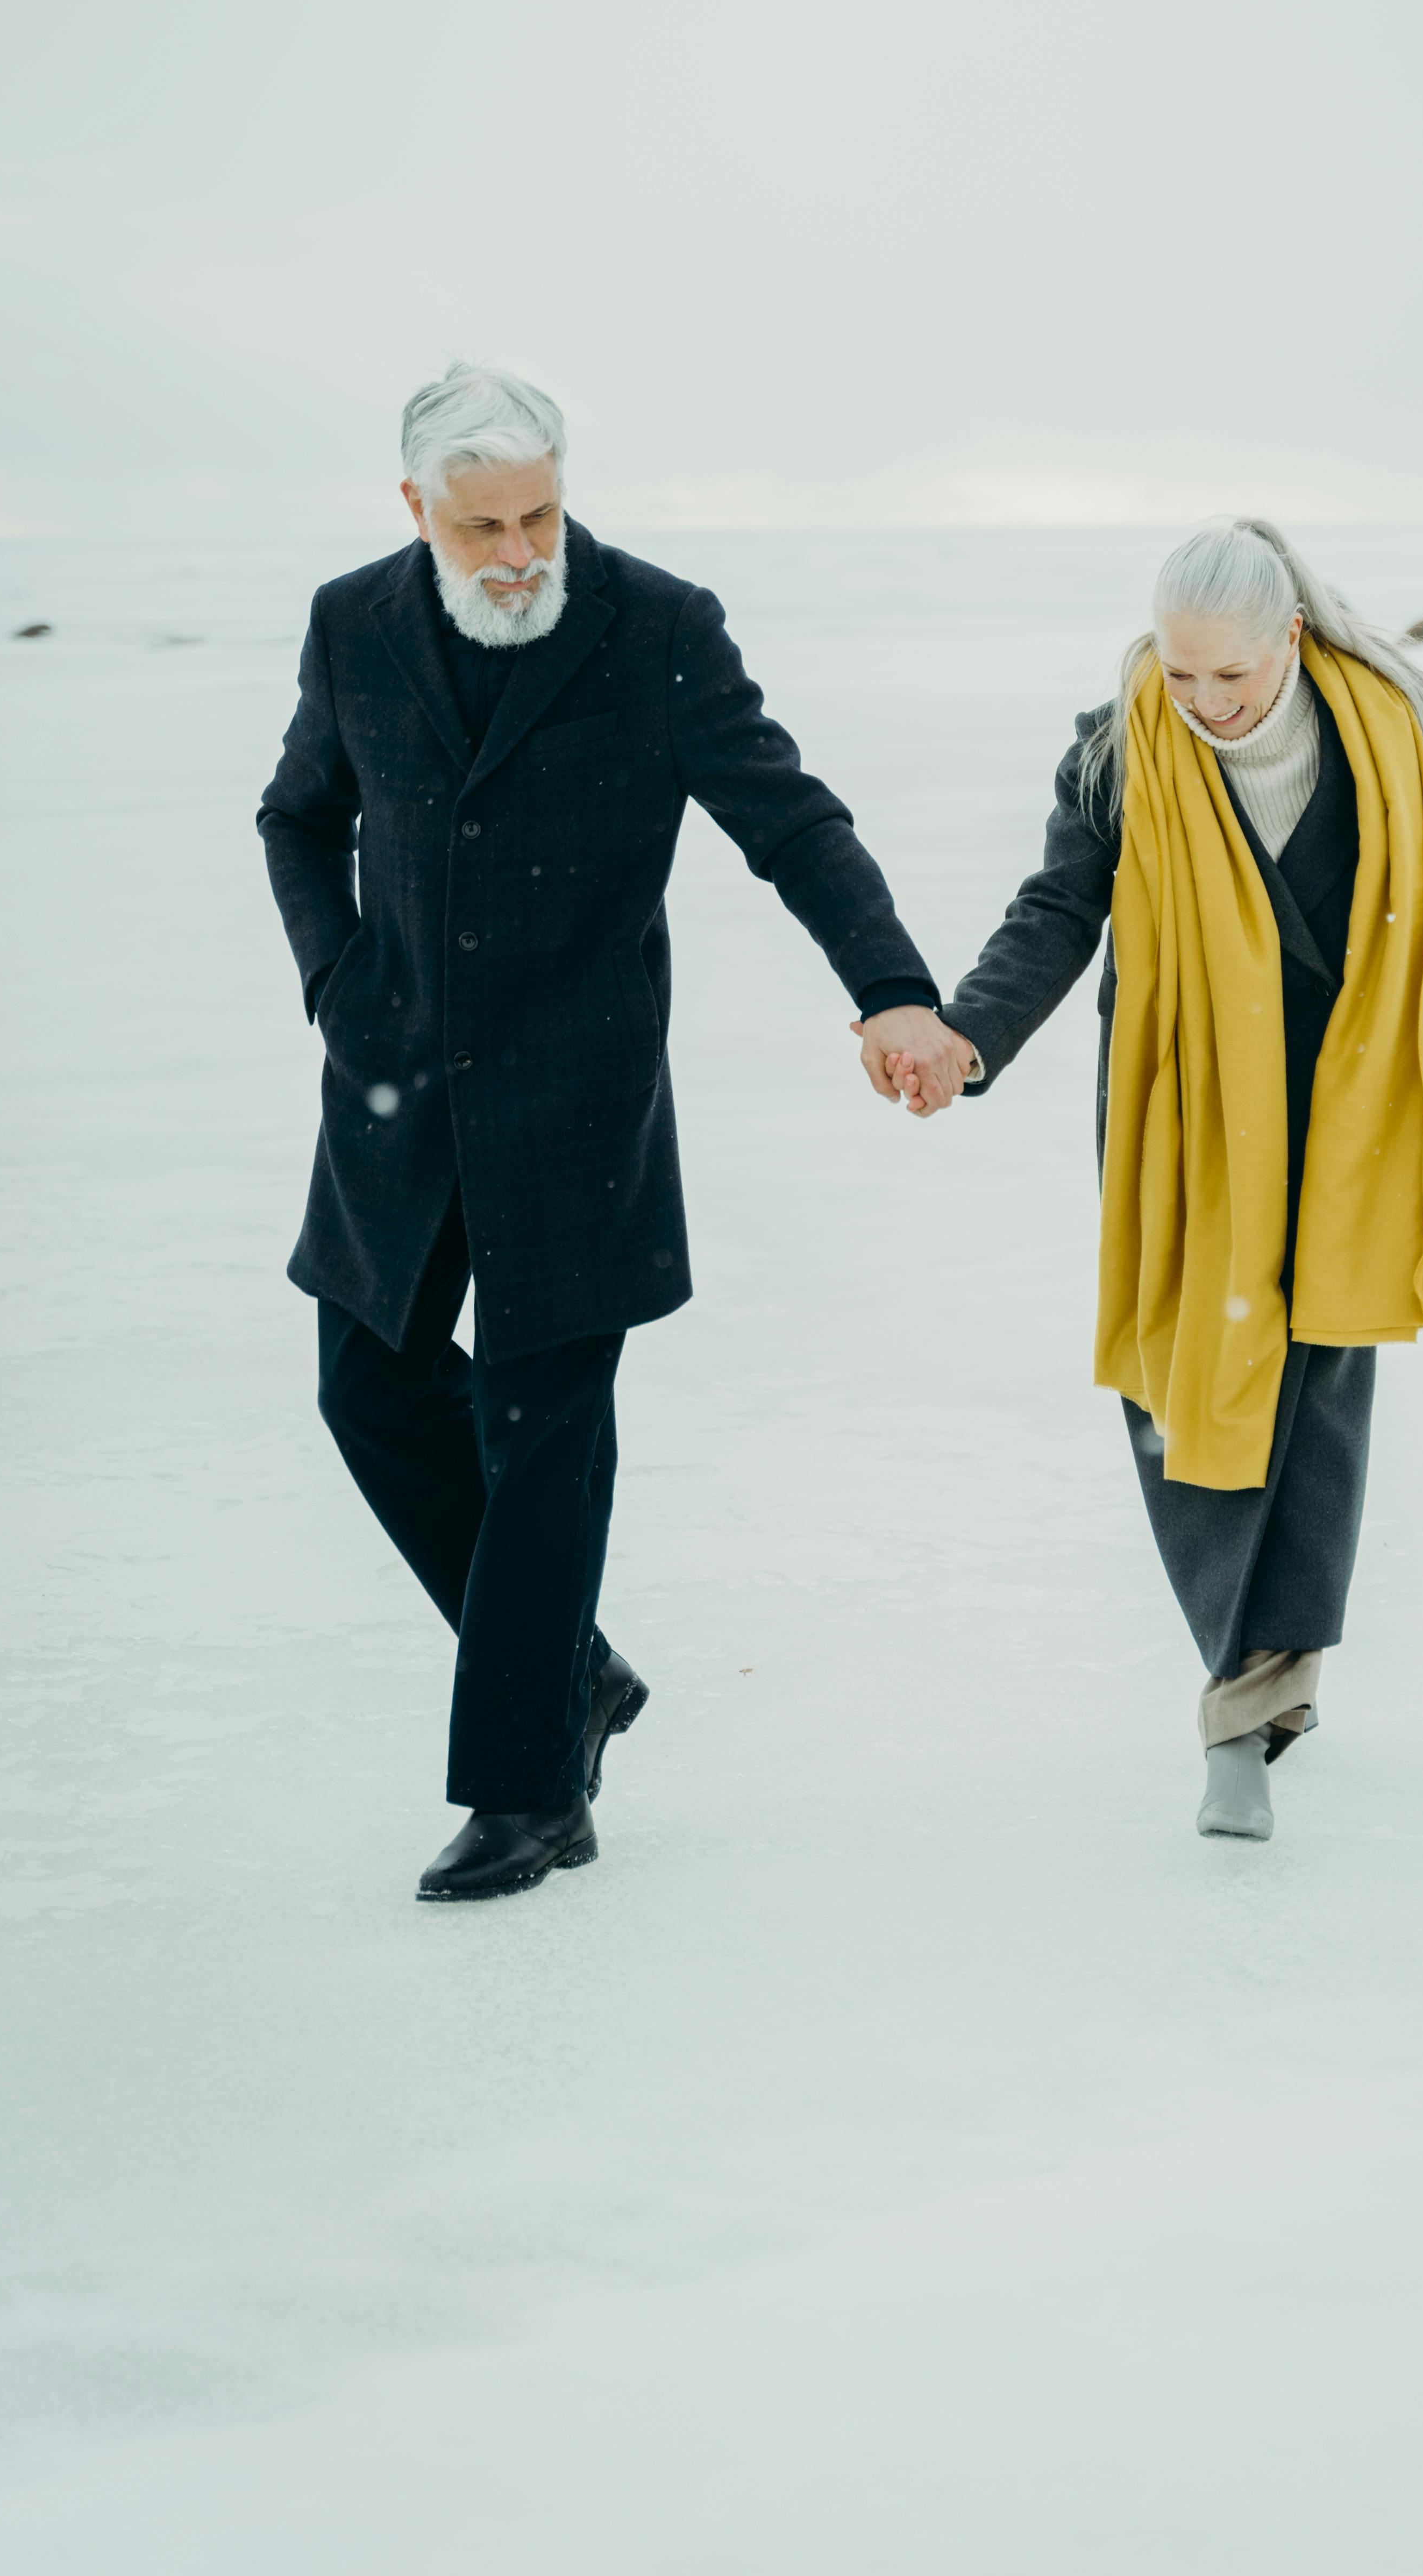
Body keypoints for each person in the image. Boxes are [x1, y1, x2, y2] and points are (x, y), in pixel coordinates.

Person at [258, 363, 970, 1901]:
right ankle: (566, 1671)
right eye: (483, 528)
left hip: (577, 1106)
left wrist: (895, 991)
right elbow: (297, 815)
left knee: (542, 1437)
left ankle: (529, 1791)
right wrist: (338, 978)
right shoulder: (353, 622)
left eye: (540, 516)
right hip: (393, 1094)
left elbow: (792, 820)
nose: (518, 552)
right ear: (415, 514)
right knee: (365, 1390)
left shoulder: (655, 626)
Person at [883, 518, 1423, 1842]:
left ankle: (1260, 1692)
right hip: (1185, 1101)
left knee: (1314, 1377)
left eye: (1228, 680)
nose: (1201, 704)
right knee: (1189, 1369)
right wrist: (968, 1038)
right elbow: (1057, 912)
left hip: (1339, 1097)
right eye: (1178, 675)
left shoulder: (1380, 734)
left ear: (1288, 642)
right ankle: (1245, 1684)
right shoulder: (1120, 747)